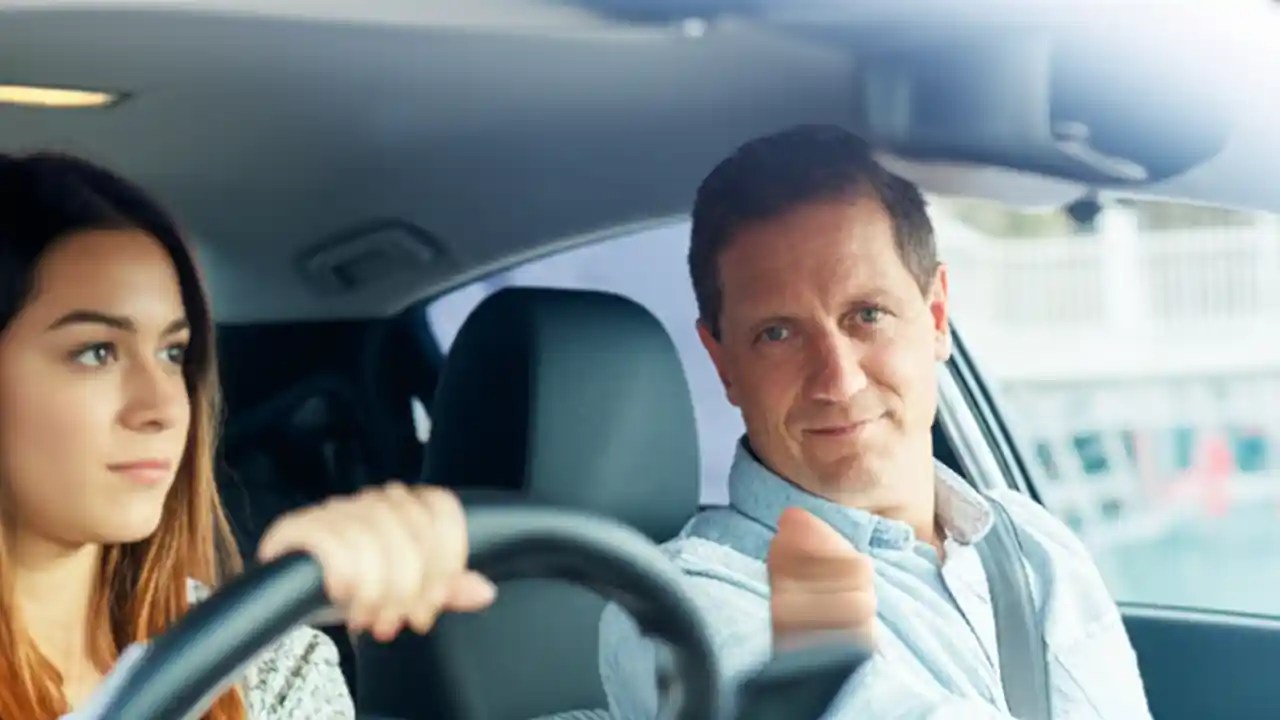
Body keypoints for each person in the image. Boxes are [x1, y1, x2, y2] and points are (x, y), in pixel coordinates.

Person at [598, 126, 1151, 718]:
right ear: (724, 363)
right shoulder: (673, 611)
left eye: (867, 315)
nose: (838, 381)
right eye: (778, 334)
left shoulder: (1035, 548)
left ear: (936, 317)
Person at [0, 153, 494, 719]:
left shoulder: (269, 662)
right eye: (96, 353)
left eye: (173, 354)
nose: (162, 406)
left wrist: (291, 601)